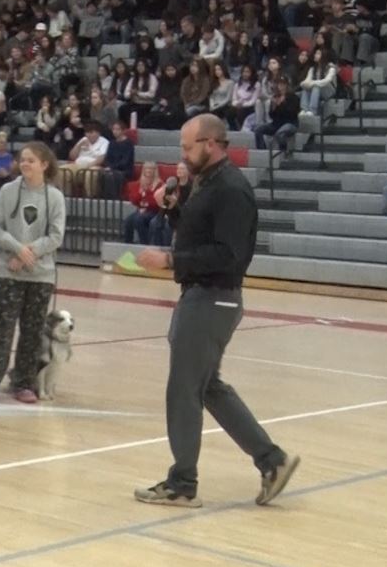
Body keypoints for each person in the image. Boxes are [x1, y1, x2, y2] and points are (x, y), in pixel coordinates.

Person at [134, 114, 299, 509]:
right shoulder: (206, 183)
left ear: (211, 143)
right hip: (204, 295)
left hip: (213, 297)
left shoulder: (230, 189)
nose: (183, 155)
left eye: (188, 147)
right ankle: (272, 461)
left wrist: (170, 259)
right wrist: (174, 210)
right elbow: (201, 235)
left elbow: (228, 255)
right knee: (208, 387)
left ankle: (182, 483)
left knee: (183, 389)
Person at [0, 141, 66, 407]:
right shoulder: (7, 191)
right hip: (8, 272)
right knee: (1, 330)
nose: (24, 164)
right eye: (22, 159)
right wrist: (16, 250)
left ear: (44, 165)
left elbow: (56, 236)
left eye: (31, 160)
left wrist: (29, 253)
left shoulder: (55, 197)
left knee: (32, 331)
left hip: (41, 276)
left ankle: (24, 382)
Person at [124, 162, 163, 244]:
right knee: (128, 221)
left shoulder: (160, 184)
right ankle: (127, 244)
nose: (148, 171)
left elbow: (156, 202)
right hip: (141, 210)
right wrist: (141, 192)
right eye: (146, 168)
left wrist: (147, 193)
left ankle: (144, 243)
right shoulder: (139, 183)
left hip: (154, 211)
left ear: (155, 171)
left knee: (139, 219)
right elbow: (134, 200)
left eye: (151, 169)